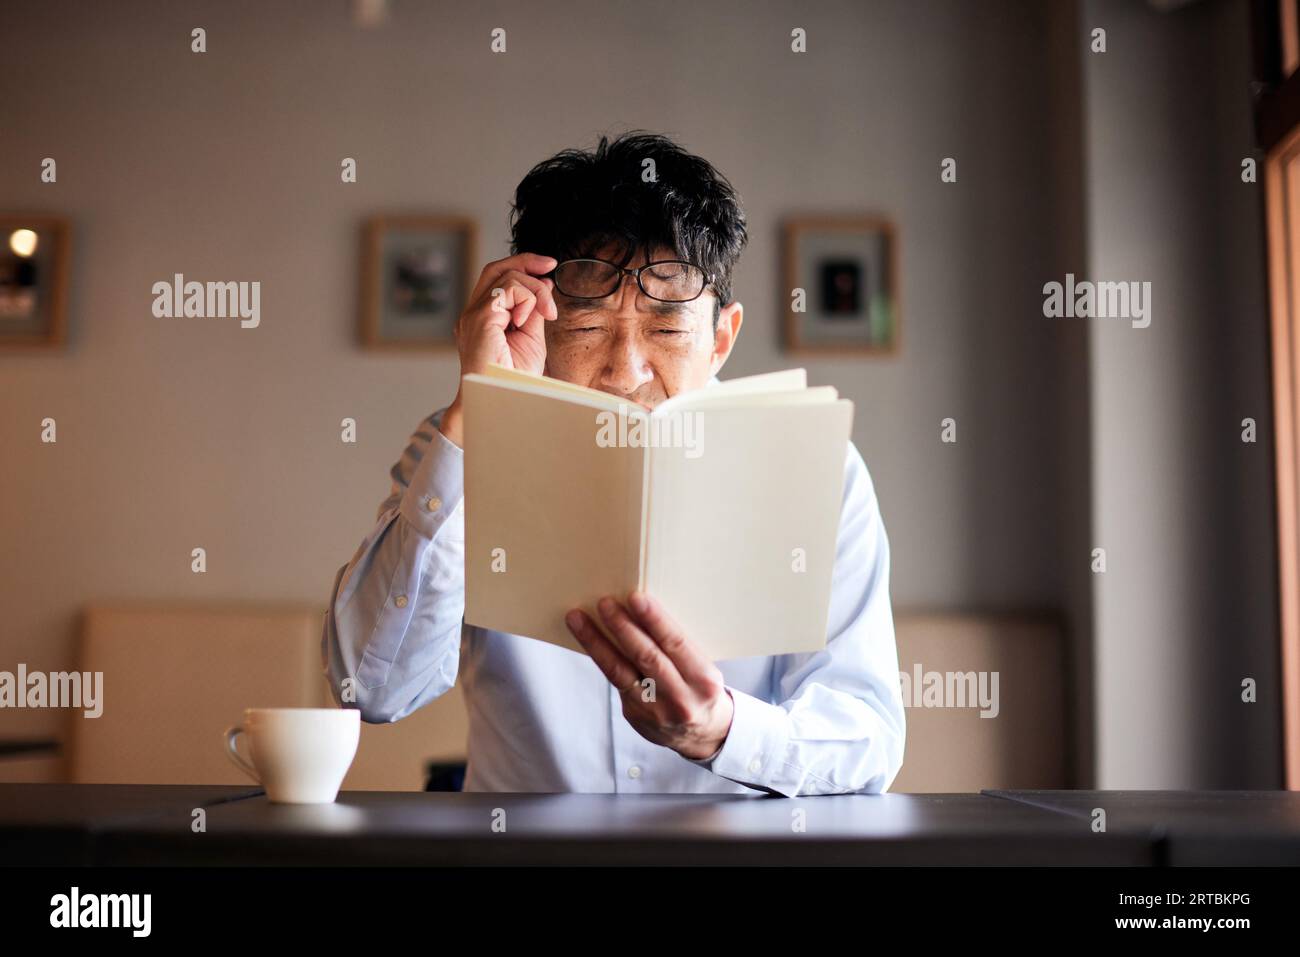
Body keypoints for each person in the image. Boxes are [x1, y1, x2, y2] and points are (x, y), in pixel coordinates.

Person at [322, 131, 905, 796]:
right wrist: (474, 412)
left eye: (666, 328)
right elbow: (370, 686)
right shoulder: (459, 444)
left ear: (720, 339)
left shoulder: (816, 469)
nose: (625, 372)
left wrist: (720, 731)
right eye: (588, 326)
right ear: (536, 322)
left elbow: (867, 738)